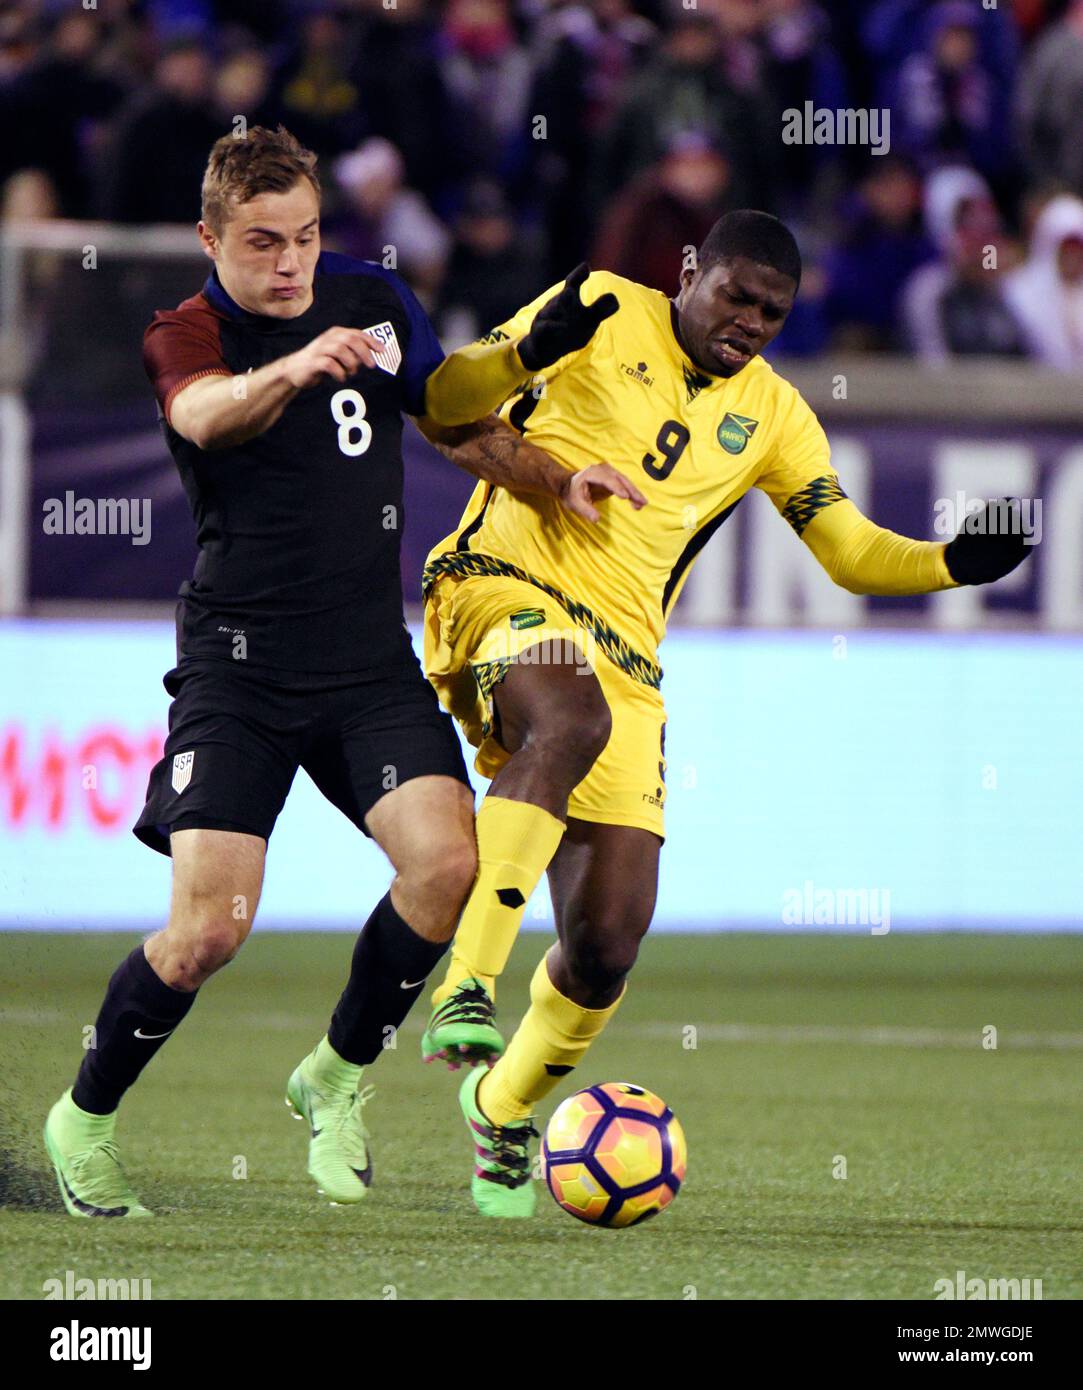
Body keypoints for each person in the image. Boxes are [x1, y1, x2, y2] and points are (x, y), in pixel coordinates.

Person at [42, 125, 638, 1219]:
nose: (291, 265)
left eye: (307, 238)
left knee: (446, 866)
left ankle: (336, 1076)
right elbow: (203, 415)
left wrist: (558, 478)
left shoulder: (367, 295)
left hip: (366, 659)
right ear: (209, 237)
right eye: (264, 242)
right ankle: (84, 1116)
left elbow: (448, 418)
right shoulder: (187, 335)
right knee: (209, 930)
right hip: (238, 667)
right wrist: (292, 365)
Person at [414, 212, 1036, 1218]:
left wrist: (948, 564)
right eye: (735, 296)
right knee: (567, 721)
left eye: (772, 313)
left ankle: (501, 1106)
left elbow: (845, 548)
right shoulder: (605, 307)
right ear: (692, 272)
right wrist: (527, 348)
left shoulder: (778, 416)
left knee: (610, 937)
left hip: (628, 658)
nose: (749, 322)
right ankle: (465, 987)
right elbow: (443, 406)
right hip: (499, 581)